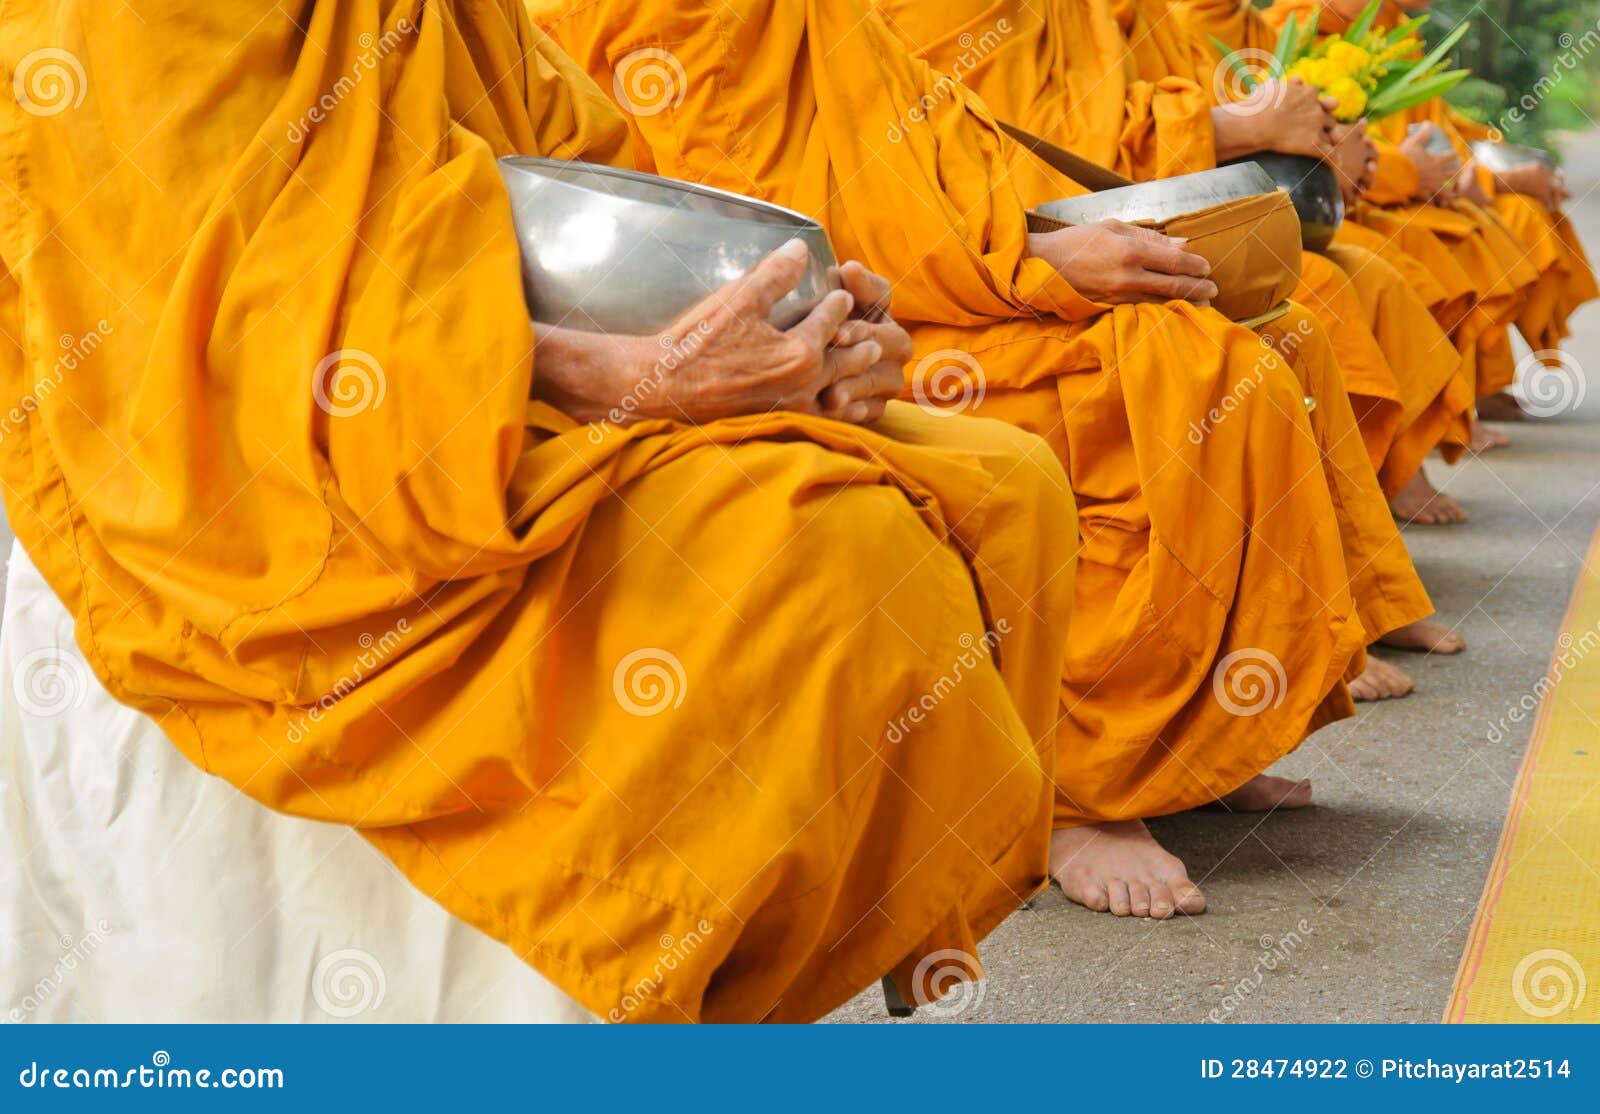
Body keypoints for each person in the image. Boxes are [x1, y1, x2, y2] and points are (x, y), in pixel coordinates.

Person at [0, 0, 1083, 1021]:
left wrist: (810, 326)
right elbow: (210, 338)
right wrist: (627, 380)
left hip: (492, 385)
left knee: (1002, 481)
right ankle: (649, 970)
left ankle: (728, 989)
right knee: (824, 554)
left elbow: (591, 186)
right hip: (283, 463)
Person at [534, 0, 1397, 919]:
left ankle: (1191, 745)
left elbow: (954, 149)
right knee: (1181, 369)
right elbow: (764, 220)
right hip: (849, 306)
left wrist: (1038, 241)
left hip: (953, 272)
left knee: (1278, 334)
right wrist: (1034, 255)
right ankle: (1083, 789)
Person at [874, 0, 1466, 703]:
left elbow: (1067, 132)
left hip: (1036, 249)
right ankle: (1135, 739)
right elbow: (983, 161)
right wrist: (1233, 127)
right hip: (949, 296)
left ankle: (1293, 653)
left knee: (1290, 326)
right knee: (1221, 347)